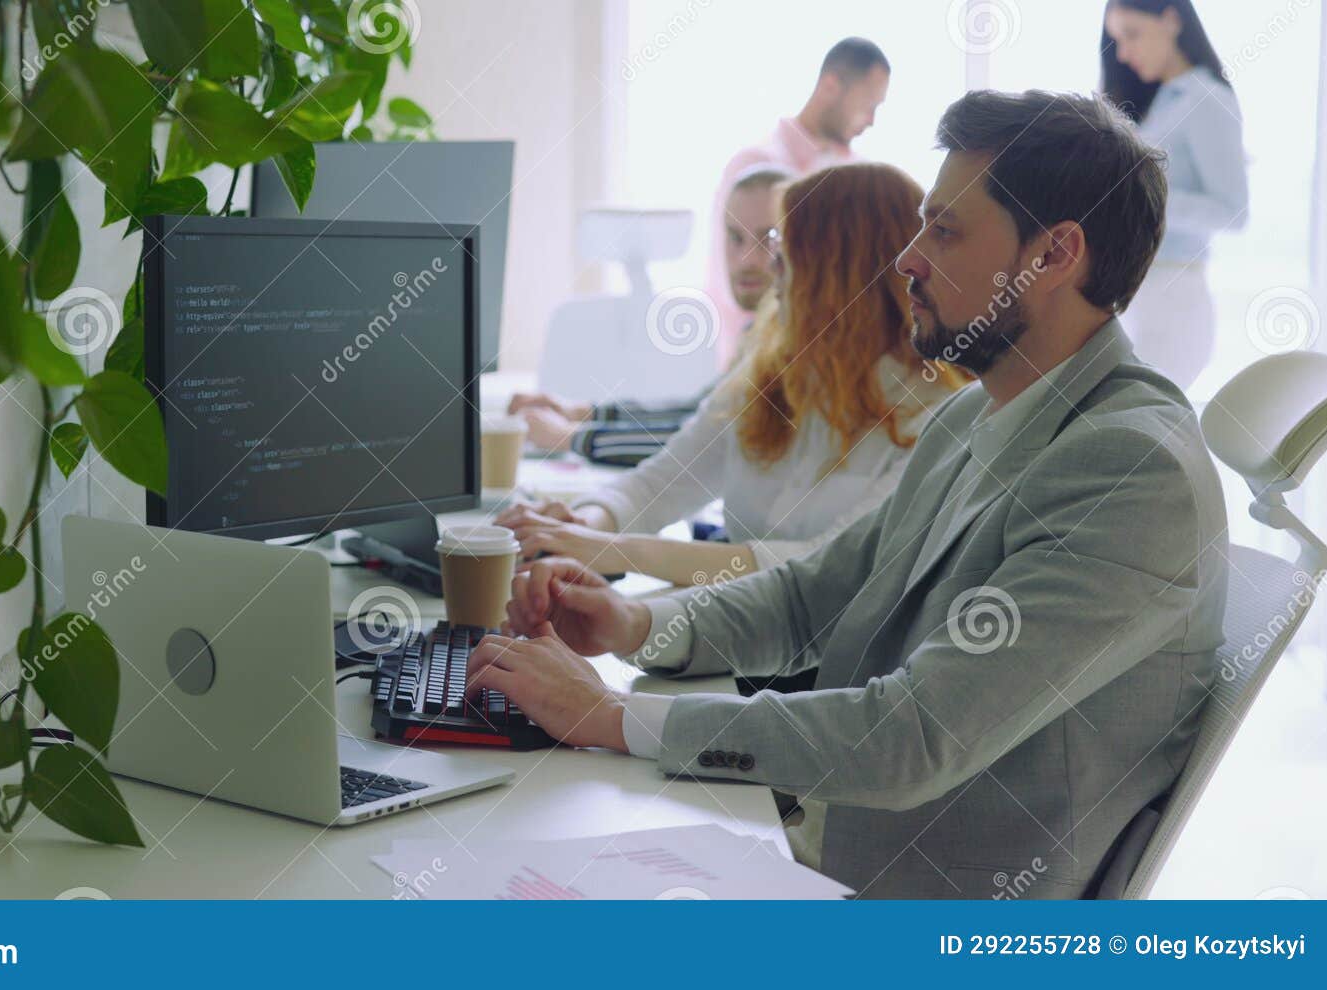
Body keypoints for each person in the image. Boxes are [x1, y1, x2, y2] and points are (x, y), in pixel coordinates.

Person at [466, 89, 1228, 900]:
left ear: (1054, 255)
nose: (907, 260)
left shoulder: (1127, 469)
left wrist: (612, 719)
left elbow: (912, 736)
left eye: (944, 230)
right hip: (826, 849)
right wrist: (634, 623)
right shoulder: (978, 413)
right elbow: (814, 597)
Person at [496, 163, 966, 588]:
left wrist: (608, 550)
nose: (767, 268)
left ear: (836, 277)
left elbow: (812, 567)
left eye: (782, 250)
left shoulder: (940, 418)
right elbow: (658, 484)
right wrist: (580, 525)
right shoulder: (772, 372)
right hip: (731, 644)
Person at [510, 165, 796, 462]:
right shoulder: (760, 333)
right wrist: (582, 412)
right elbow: (702, 411)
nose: (745, 260)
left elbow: (706, 442)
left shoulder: (793, 342)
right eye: (735, 237)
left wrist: (568, 438)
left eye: (768, 238)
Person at [707, 37, 891, 348]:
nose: (871, 121)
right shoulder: (757, 164)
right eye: (868, 105)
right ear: (831, 86)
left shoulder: (858, 177)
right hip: (761, 357)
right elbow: (733, 275)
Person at [1102, 0, 1247, 389]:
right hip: (1138, 293)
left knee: (1142, 429)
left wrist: (1139, 195)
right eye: (1117, 40)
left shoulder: (1205, 98)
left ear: (1170, 20)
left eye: (1132, 34)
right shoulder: (1160, 101)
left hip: (1174, 299)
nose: (1124, 52)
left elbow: (1234, 211)